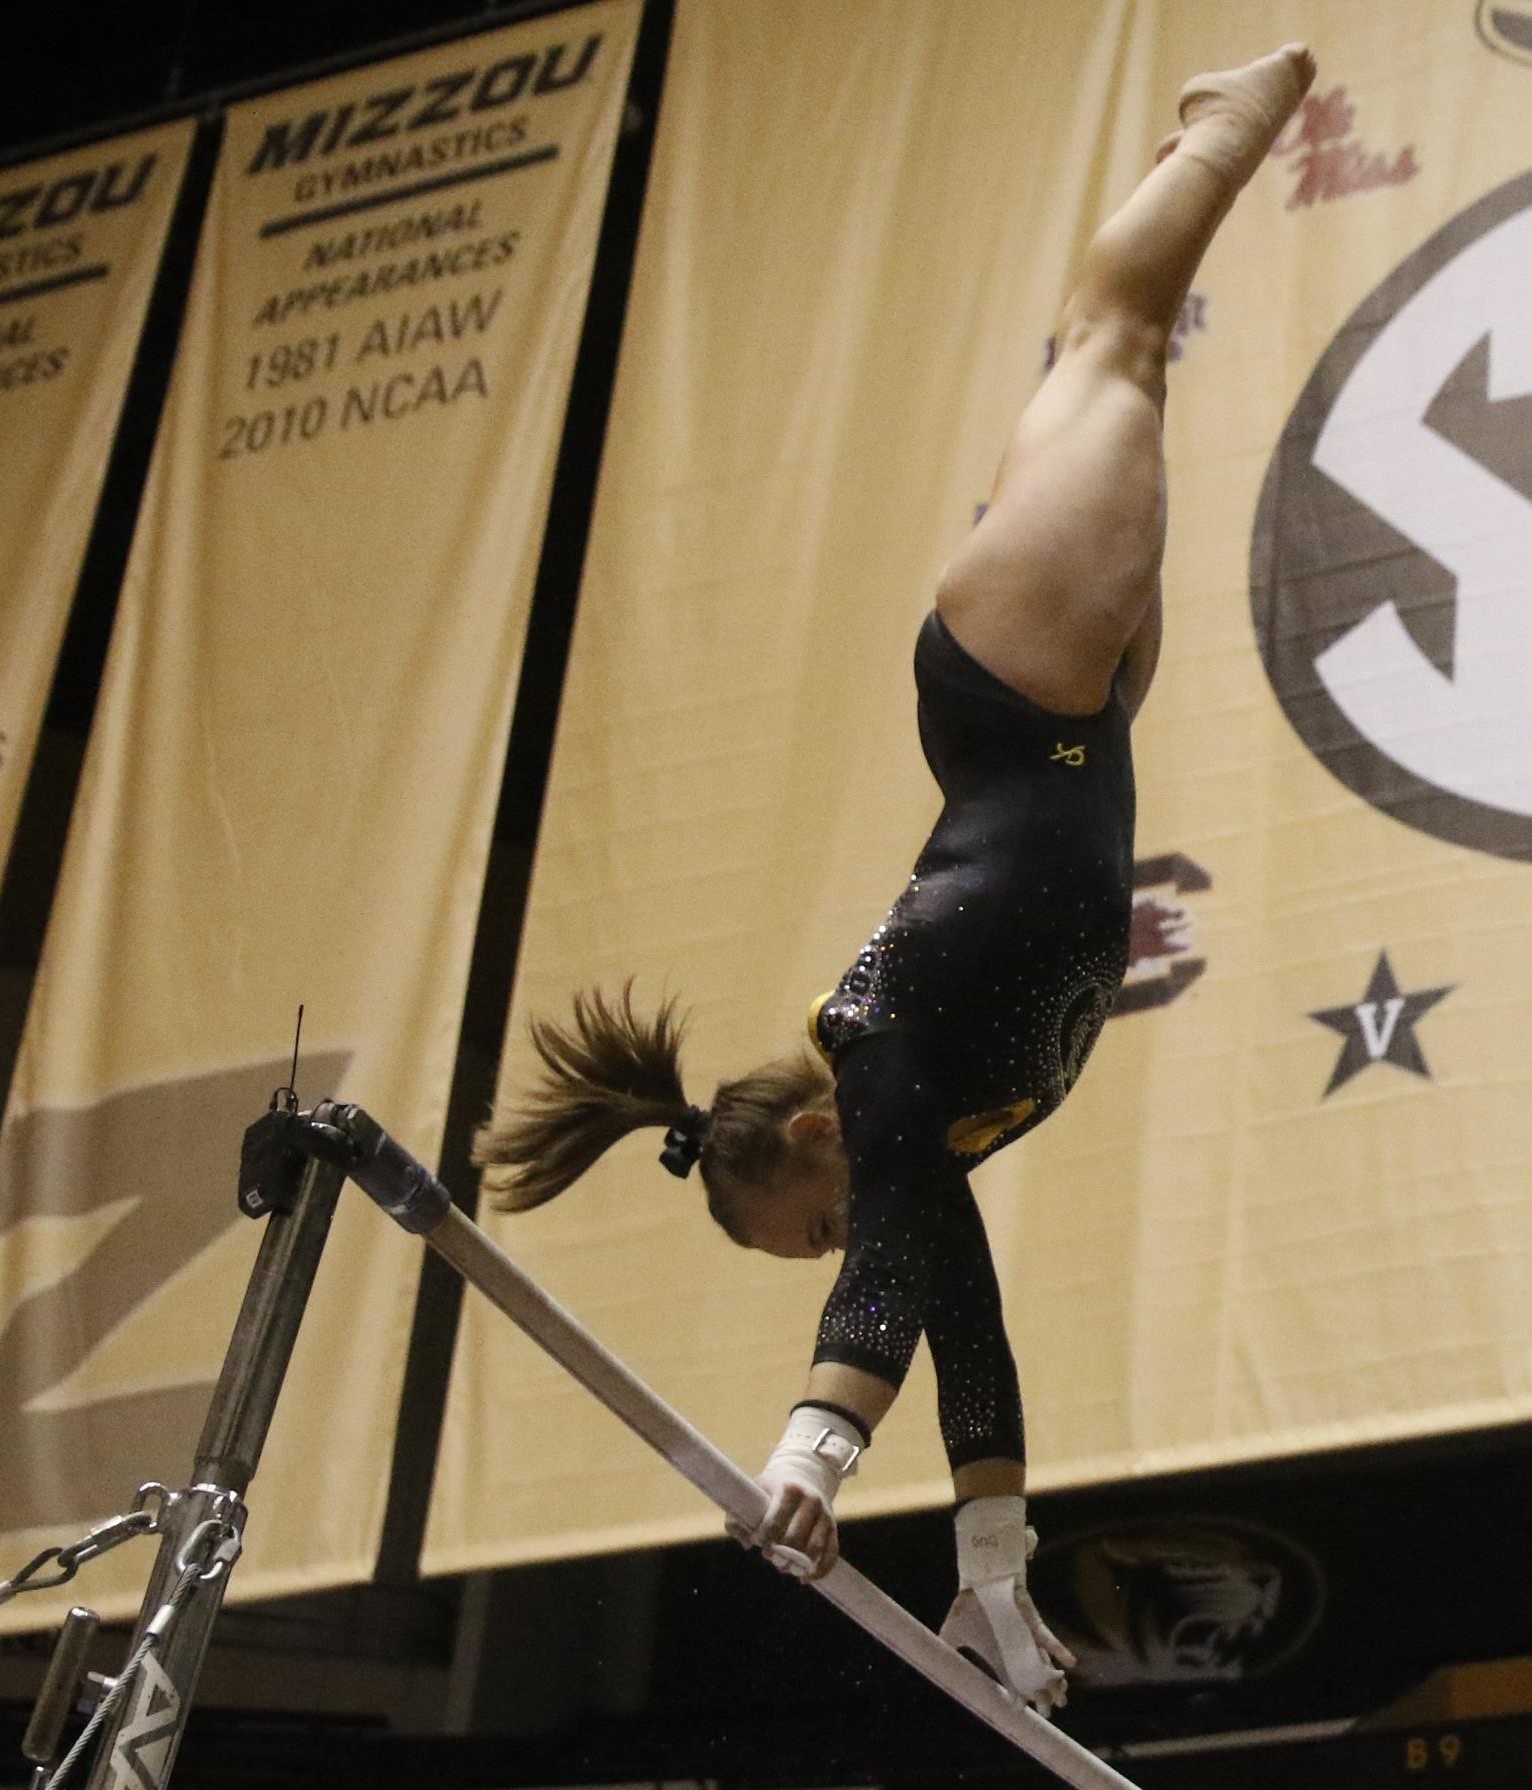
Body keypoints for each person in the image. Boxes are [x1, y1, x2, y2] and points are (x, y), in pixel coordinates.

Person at [468, 43, 1319, 1714]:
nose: (837, 1252)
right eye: (814, 1253)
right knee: (1109, 353)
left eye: (800, 1232)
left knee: (1115, 344)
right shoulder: (923, 1140)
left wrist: (812, 1446)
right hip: (1078, 712)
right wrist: (995, 1572)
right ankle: (1208, 134)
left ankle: (1227, 123)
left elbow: (875, 1291)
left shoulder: (874, 1063)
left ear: (801, 1141)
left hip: (1014, 695)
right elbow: (958, 1320)